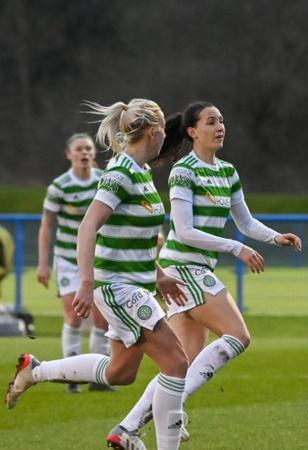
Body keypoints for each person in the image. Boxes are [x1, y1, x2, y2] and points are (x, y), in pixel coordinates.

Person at [106, 101, 302, 447]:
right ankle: (171, 411)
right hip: (182, 268)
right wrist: (235, 248)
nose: (220, 126)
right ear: (193, 131)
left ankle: (125, 429)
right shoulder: (184, 170)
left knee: (181, 366)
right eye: (212, 121)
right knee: (238, 336)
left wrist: (275, 237)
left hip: (194, 269)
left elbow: (245, 221)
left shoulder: (227, 171)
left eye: (222, 120)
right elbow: (183, 230)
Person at [6, 99, 190, 450]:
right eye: (164, 128)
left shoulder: (142, 172)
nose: (166, 134)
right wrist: (87, 284)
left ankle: (35, 370)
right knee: (177, 363)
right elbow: (88, 226)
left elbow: (132, 238)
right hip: (118, 287)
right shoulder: (120, 172)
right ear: (153, 132)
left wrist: (159, 274)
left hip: (136, 284)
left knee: (121, 373)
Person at [36, 133, 112, 393]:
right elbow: (47, 225)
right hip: (68, 259)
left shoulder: (105, 181)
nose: (84, 153)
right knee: (74, 315)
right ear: (69, 154)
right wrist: (43, 264)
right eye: (79, 149)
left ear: (94, 153)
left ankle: (98, 380)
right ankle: (71, 375)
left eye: (89, 149)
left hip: (98, 259)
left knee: (103, 320)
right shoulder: (60, 186)